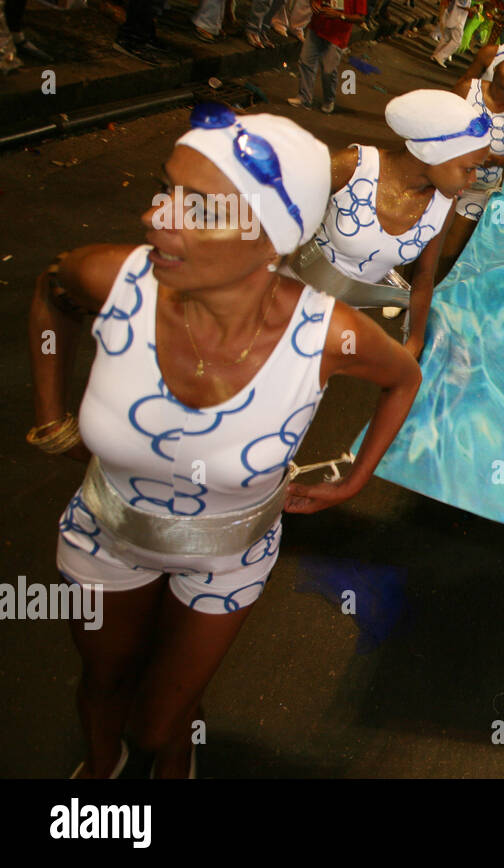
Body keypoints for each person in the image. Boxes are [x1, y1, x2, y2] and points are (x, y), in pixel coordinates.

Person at [30, 107, 422, 778]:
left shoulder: (329, 336)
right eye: (165, 190)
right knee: (102, 684)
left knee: (161, 720)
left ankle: (165, 750)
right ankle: (101, 767)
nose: (157, 218)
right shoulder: (111, 278)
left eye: (200, 208)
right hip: (107, 532)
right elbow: (50, 290)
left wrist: (354, 479)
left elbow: (404, 378)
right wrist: (50, 420)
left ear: (273, 240)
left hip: (229, 554)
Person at [296, 89, 492, 358]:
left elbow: (424, 276)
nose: (473, 180)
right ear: (433, 154)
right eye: (468, 169)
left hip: (342, 317)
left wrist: (415, 340)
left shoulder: (443, 206)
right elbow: (285, 212)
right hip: (289, 293)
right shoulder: (354, 168)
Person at [434, 47, 504, 284]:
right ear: (496, 66)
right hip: (443, 179)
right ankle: (401, 291)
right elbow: (438, 122)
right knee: (426, 237)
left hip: (477, 192)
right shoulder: (468, 89)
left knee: (450, 252)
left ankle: (424, 298)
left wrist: (498, 161)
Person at [287, 0, 365, 113]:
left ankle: (329, 99)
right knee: (306, 63)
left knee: (329, 70)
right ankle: (304, 97)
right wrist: (314, 3)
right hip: (317, 28)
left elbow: (361, 17)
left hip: (337, 36)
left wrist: (341, 16)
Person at [430, 0, 476, 64]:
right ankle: (440, 56)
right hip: (457, 20)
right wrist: (471, 9)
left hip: (452, 16)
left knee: (446, 39)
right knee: (456, 42)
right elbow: (460, 4)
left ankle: (435, 54)